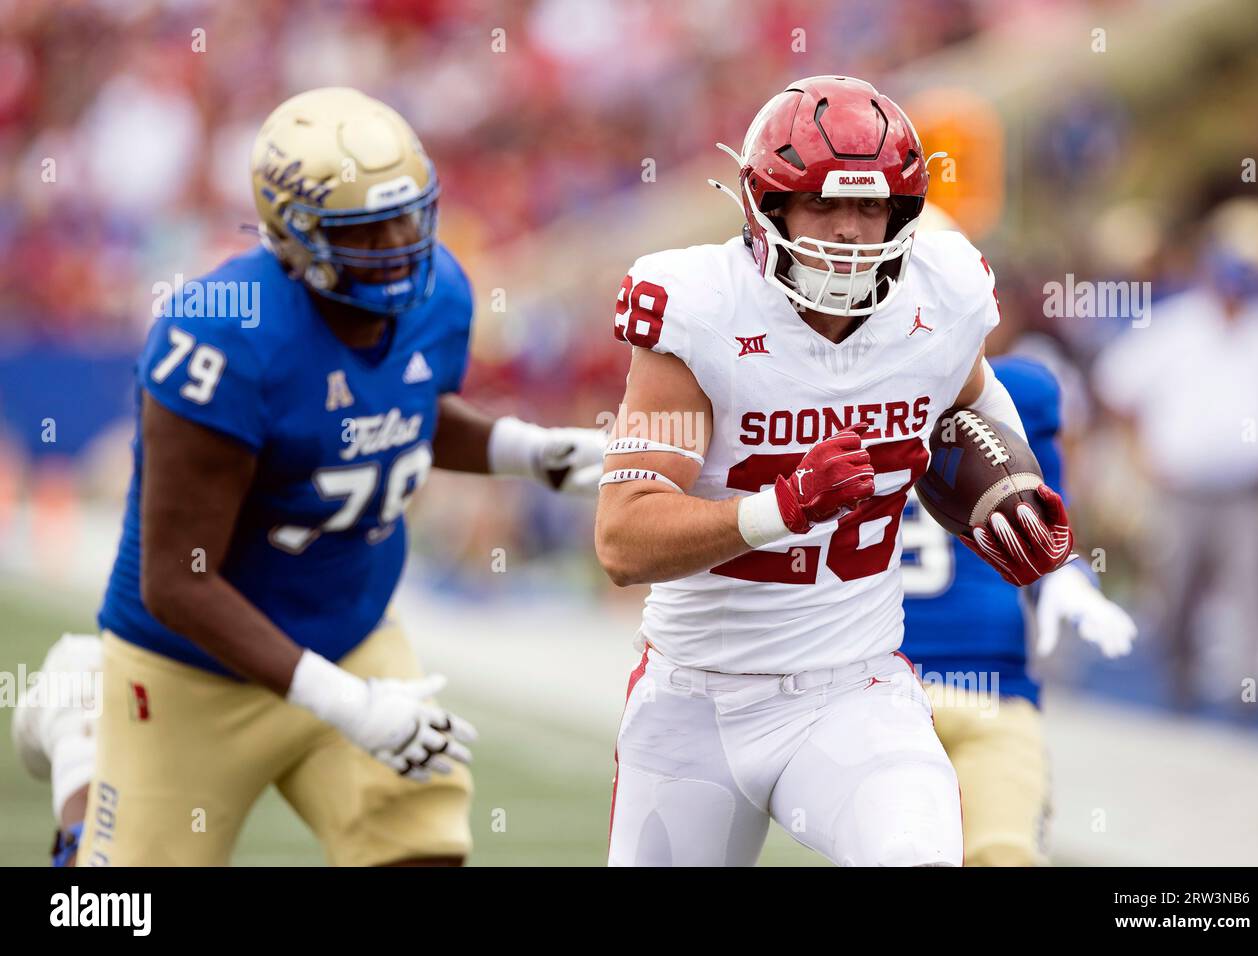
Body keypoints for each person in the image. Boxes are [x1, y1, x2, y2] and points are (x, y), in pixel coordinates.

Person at [12, 87, 605, 867]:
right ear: (295, 233)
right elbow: (177, 582)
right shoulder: (222, 337)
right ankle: (82, 752)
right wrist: (348, 707)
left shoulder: (440, 292)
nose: (400, 244)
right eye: (368, 228)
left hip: (351, 632)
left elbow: (400, 412)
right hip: (192, 664)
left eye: (409, 216)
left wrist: (535, 453)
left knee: (420, 850)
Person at [595, 75, 1075, 867]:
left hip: (853, 689)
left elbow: (970, 406)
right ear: (768, 206)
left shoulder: (941, 298)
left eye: (870, 206)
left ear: (904, 211)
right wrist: (779, 508)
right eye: (824, 203)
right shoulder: (699, 312)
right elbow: (624, 538)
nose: (850, 232)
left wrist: (1011, 487)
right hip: (694, 702)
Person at [899, 352, 1136, 866]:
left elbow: (1049, 529)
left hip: (984, 689)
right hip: (878, 695)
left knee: (1004, 853)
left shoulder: (1018, 390)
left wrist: (1065, 578)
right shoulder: (828, 390)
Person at [1092, 198, 1258, 709]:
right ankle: (1178, 680)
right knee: (1177, 591)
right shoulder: (1174, 325)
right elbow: (1116, 387)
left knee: (1253, 590)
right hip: (1181, 487)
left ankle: (1248, 689)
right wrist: (1139, 454)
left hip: (1248, 489)